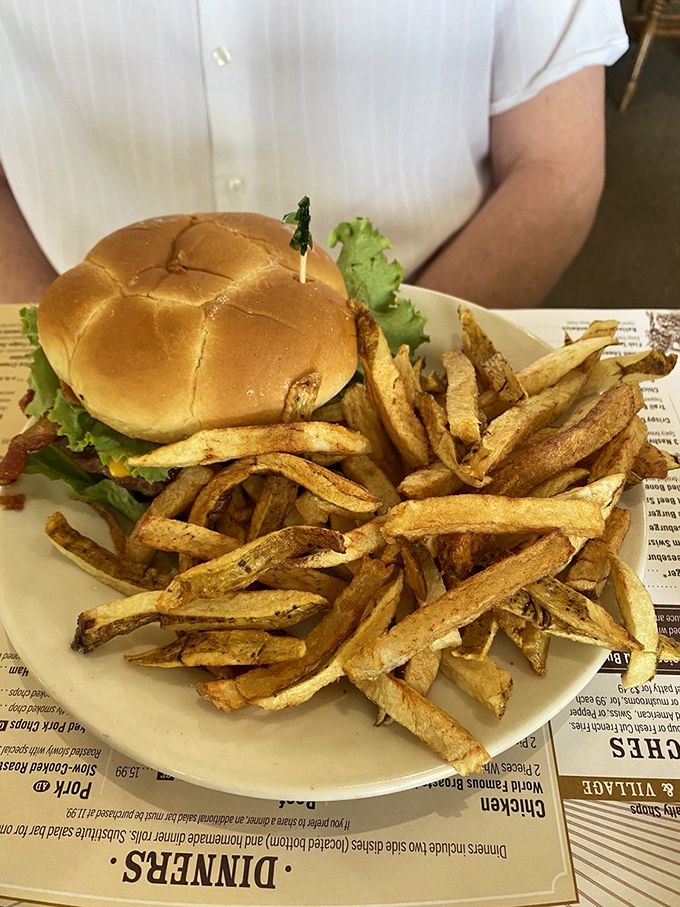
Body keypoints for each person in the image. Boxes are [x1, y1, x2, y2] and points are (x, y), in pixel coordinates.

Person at [0, 0, 628, 309]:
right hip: (78, 324)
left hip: (430, 311)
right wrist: (54, 346)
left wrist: (399, 375)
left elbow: (556, 166)